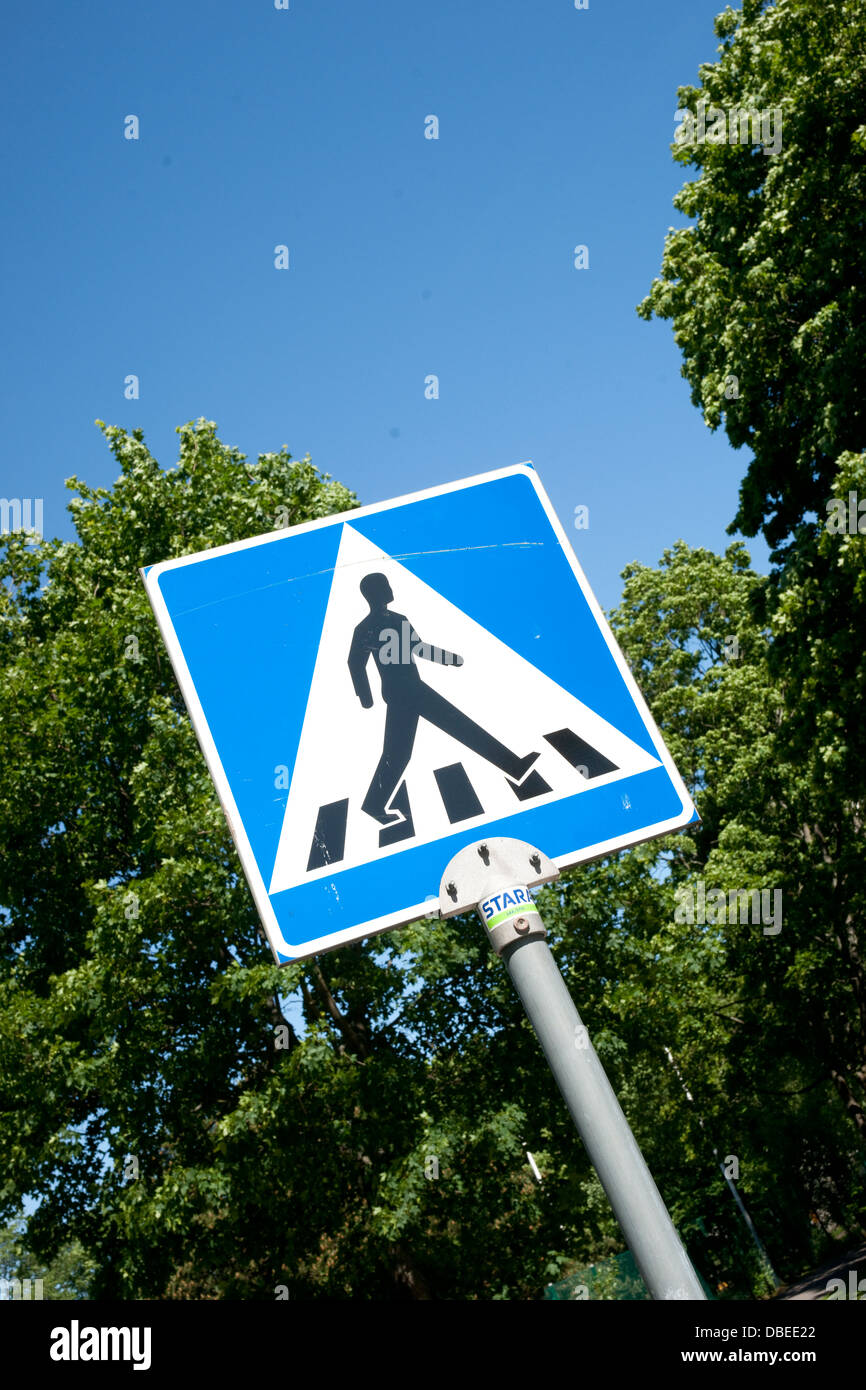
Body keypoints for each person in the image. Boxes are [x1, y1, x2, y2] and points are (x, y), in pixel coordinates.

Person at [348, 572, 539, 824]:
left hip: (410, 687)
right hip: (402, 691)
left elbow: (418, 648)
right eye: (385, 585)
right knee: (459, 727)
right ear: (375, 593)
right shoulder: (364, 628)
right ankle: (514, 765)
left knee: (398, 753)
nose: (390, 589)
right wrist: (366, 697)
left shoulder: (397, 619)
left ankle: (373, 805)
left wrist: (447, 658)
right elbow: (355, 662)